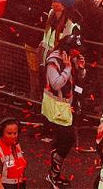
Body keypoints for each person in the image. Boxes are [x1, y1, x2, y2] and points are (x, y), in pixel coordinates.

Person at [42, 39, 82, 188]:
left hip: (66, 107)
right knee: (68, 139)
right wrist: (67, 68)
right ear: (67, 48)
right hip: (56, 108)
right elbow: (56, 83)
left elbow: (77, 83)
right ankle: (53, 175)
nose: (78, 53)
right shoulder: (53, 61)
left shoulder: (72, 59)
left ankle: (53, 175)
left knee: (62, 140)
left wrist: (81, 69)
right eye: (75, 50)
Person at [0, 119, 27, 189]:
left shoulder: (16, 146)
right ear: (1, 134)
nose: (13, 136)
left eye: (15, 133)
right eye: (9, 133)